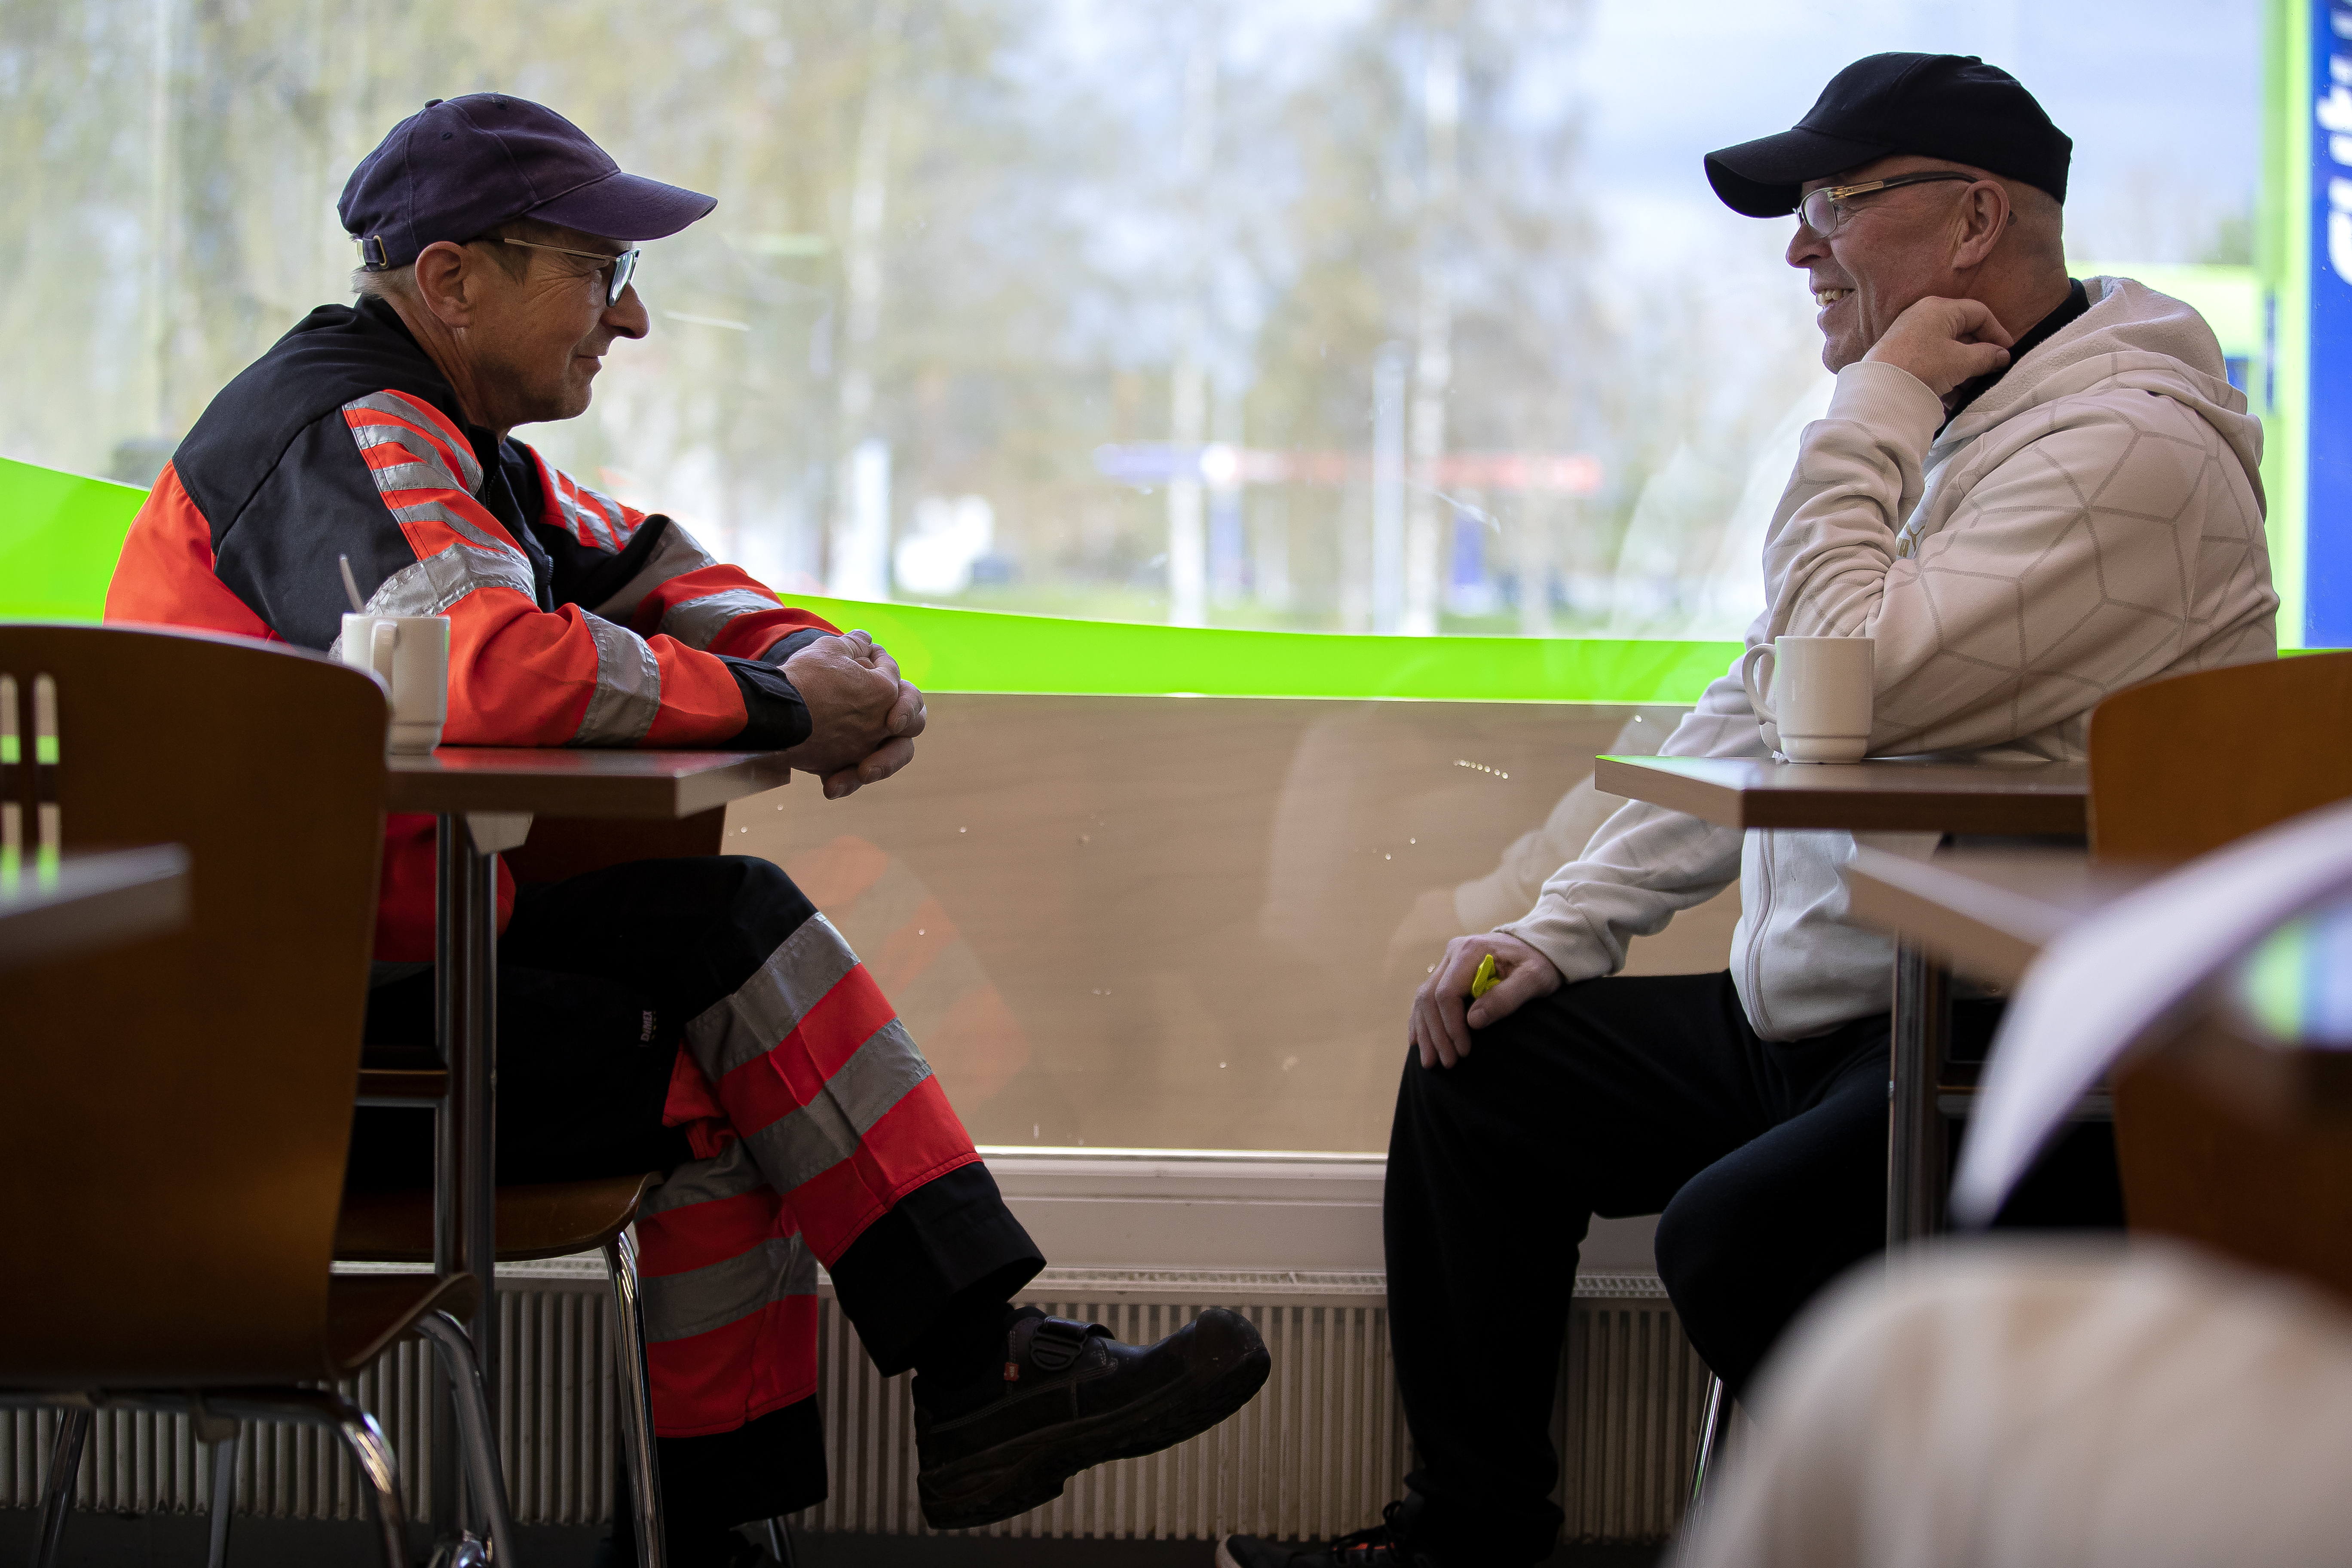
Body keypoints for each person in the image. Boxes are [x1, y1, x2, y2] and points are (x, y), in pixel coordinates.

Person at [102, 94, 1267, 1568]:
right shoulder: (350, 424)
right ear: (453, 279)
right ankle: (927, 1404)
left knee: (723, 994)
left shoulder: (462, 445)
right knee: (721, 1008)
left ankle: (790, 1491)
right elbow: (490, 656)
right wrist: (784, 714)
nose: (633, 318)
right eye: (598, 271)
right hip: (265, 1074)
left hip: (363, 1000)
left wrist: (828, 667)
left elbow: (649, 566)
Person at [1217, 52, 2276, 1568]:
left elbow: (1859, 692)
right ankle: (1472, 1537)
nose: (1799, 245)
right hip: (1849, 1012)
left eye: (1834, 202)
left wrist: (1874, 404)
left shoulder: (2125, 455)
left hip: (2013, 1044)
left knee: (1740, 1237)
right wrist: (1553, 933)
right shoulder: (1971, 426)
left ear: (1977, 220)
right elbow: (1763, 699)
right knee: (1482, 1070)